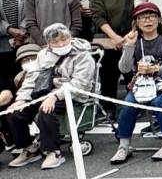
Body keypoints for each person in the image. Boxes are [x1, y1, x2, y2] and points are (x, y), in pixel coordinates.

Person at [4, 23, 97, 171]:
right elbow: (31, 78)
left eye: (64, 39)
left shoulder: (83, 55)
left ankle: (54, 151)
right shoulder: (43, 55)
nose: (60, 44)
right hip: (44, 92)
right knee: (14, 113)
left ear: (70, 37)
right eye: (55, 42)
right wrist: (21, 98)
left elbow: (81, 84)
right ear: (48, 43)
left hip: (72, 94)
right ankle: (29, 148)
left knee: (46, 110)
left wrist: (55, 96)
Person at [110, 2, 162, 164]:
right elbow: (124, 68)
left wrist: (154, 69)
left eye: (151, 16)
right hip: (142, 84)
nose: (147, 21)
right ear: (136, 22)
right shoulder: (135, 40)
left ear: (158, 19)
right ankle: (124, 146)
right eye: (142, 18)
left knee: (158, 102)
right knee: (128, 105)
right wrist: (129, 46)